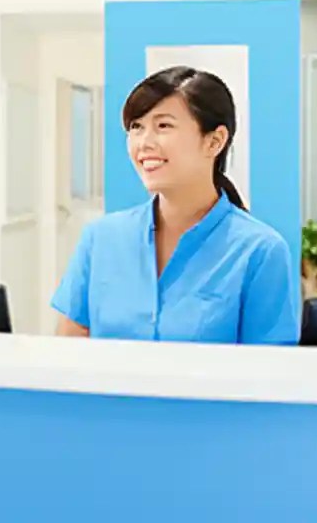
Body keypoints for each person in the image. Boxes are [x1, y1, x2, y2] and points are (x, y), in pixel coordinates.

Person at [51, 66, 299, 344]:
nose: (144, 143)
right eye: (136, 127)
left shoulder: (260, 251)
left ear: (214, 141)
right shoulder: (100, 240)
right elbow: (66, 358)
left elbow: (269, 375)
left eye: (163, 126)